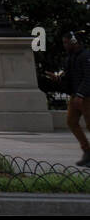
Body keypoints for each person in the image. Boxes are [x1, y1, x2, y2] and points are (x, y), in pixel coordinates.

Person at [44, 31, 90, 166]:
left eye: (66, 42)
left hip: (86, 97)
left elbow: (88, 78)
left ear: (74, 42)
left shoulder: (86, 56)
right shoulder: (71, 57)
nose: (64, 45)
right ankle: (87, 150)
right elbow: (69, 76)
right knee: (71, 122)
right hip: (75, 96)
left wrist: (81, 94)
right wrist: (58, 78)